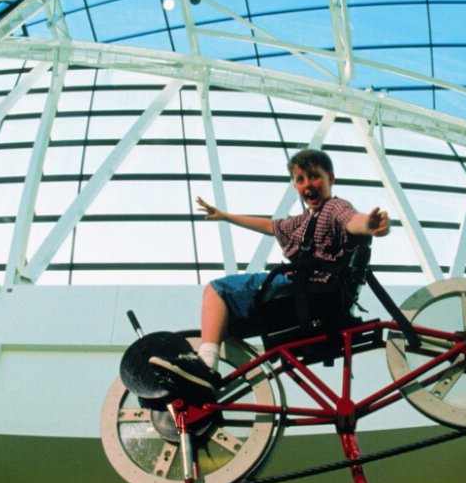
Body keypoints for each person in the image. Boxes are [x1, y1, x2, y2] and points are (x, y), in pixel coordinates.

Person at [150, 148, 390, 389]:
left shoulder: (334, 208)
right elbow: (271, 226)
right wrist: (225, 216)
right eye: (300, 179)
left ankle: (206, 366)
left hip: (306, 288)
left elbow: (352, 220)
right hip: (312, 292)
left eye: (314, 176)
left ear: (331, 178)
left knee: (217, 290)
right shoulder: (307, 219)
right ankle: (209, 358)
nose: (307, 184)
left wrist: (370, 224)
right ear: (295, 186)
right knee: (223, 315)